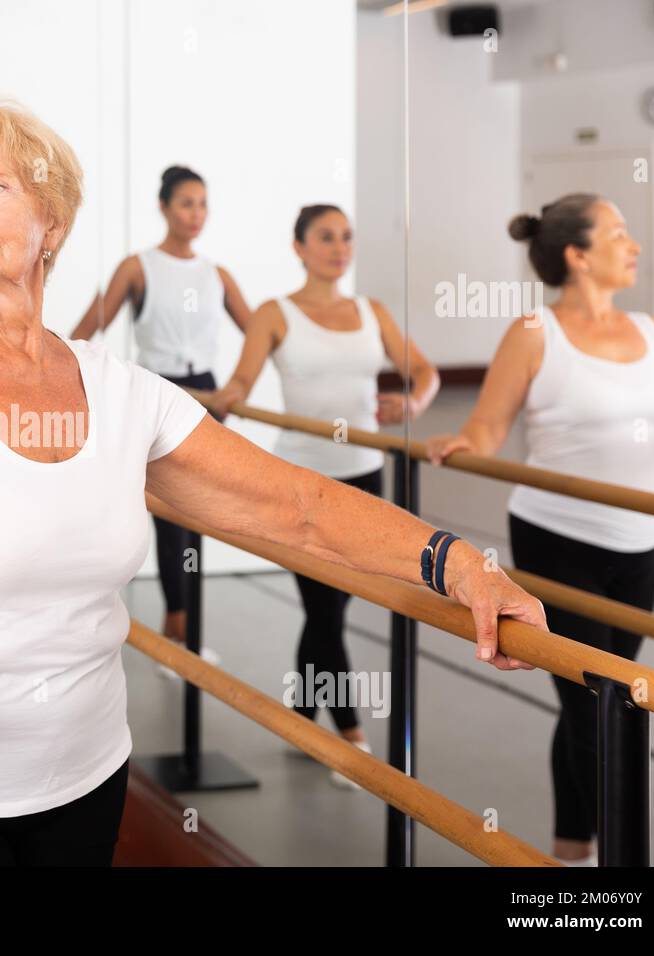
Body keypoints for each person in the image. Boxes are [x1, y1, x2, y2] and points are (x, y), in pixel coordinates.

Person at [0, 100, 543, 868]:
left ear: (54, 221)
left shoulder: (123, 393)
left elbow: (299, 507)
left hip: (84, 772)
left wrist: (459, 564)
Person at [426, 194, 654, 864]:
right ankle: (616, 869)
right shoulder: (532, 332)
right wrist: (463, 441)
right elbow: (488, 425)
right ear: (577, 254)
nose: (634, 245)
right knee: (596, 702)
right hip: (558, 540)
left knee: (594, 697)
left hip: (643, 542)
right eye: (619, 233)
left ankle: (570, 848)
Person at [217, 204, 439, 788]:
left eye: (346, 237)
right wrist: (218, 401)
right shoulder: (275, 313)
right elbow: (241, 382)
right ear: (299, 246)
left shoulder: (372, 312)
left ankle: (301, 715)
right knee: (325, 608)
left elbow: (423, 370)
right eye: (325, 237)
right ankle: (350, 735)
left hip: (366, 476)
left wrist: (412, 403)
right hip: (304, 482)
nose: (339, 248)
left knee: (333, 608)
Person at [70, 166, 255, 661]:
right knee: (170, 517)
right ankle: (178, 636)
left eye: (202, 204)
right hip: (157, 390)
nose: (196, 215)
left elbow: (263, 333)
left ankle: (182, 633)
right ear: (164, 208)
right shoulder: (138, 266)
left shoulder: (215, 274)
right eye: (186, 204)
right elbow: (85, 332)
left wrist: (238, 388)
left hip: (208, 396)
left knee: (198, 514)